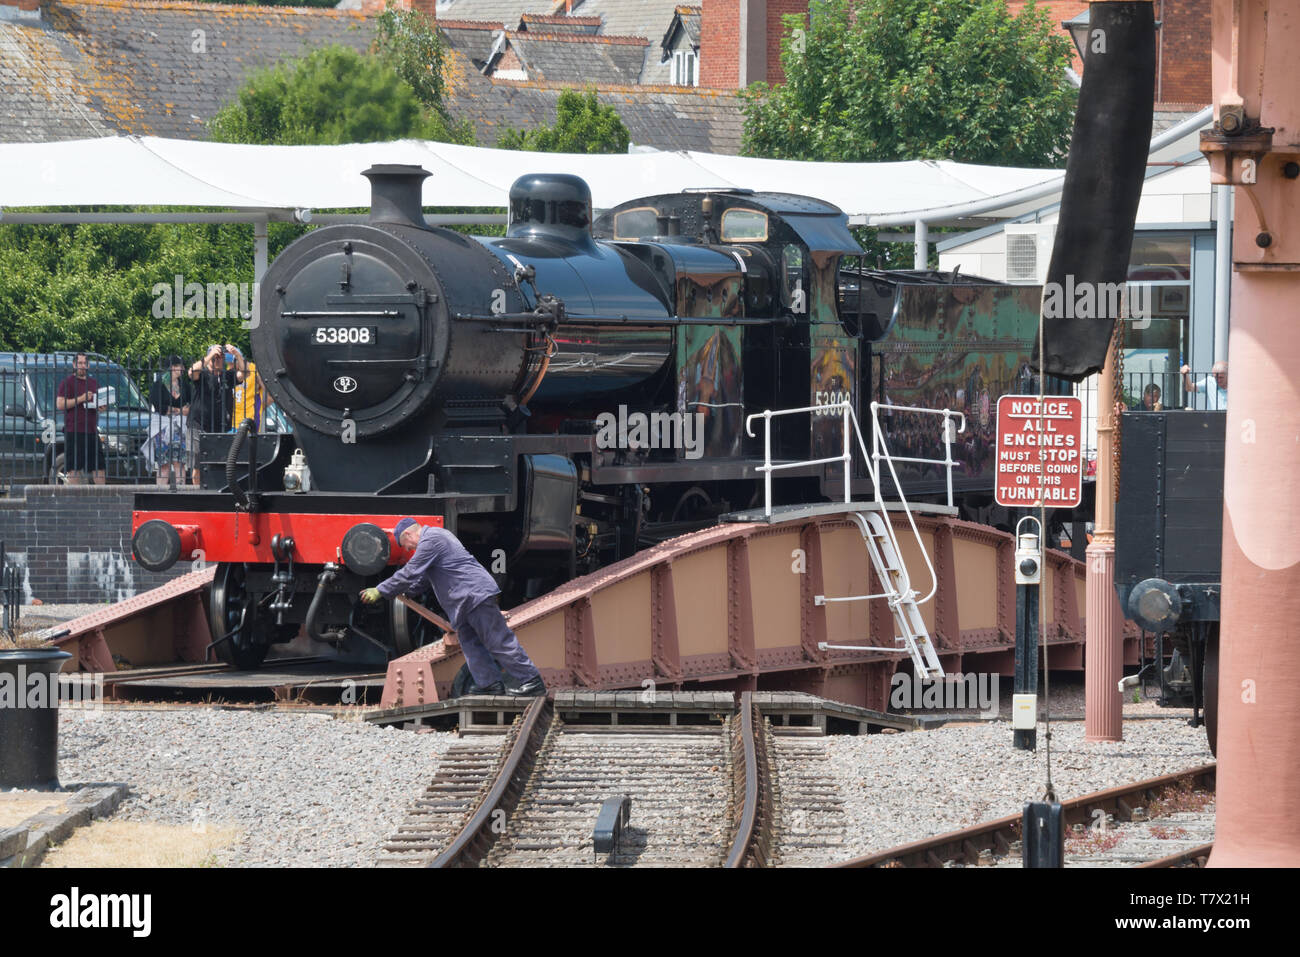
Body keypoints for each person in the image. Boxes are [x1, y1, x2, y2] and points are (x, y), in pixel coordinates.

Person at [360, 519, 547, 697]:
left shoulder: (433, 538)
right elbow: (423, 578)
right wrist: (406, 591)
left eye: (406, 543)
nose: (408, 548)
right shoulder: (434, 540)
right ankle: (490, 685)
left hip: (474, 595)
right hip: (462, 603)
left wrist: (380, 590)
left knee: (497, 639)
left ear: (408, 533)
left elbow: (410, 572)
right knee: (471, 645)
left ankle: (532, 681)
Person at [188, 343, 246, 485]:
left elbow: (244, 375)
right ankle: (197, 493)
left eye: (222, 358)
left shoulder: (227, 376)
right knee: (198, 463)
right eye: (218, 357)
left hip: (220, 426)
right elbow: (191, 372)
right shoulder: (202, 375)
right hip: (198, 424)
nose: (220, 360)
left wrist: (237, 355)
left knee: (219, 461)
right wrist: (209, 356)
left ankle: (215, 489)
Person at [55, 353, 105, 485]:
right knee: (74, 467)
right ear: (74, 365)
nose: (82, 366)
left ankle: (103, 497)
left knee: (99, 465)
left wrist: (102, 406)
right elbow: (60, 404)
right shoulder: (67, 383)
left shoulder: (94, 383)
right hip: (74, 430)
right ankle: (75, 498)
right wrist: (81, 399)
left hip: (92, 430)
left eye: (84, 363)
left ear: (88, 365)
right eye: (80, 363)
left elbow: (100, 402)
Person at [148, 355, 192, 486]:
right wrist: (179, 410)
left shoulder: (184, 385)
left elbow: (190, 403)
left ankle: (181, 491)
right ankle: (160, 493)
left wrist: (183, 409)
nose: (183, 369)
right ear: (173, 367)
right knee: (164, 463)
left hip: (180, 428)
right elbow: (159, 407)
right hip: (163, 427)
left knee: (180, 462)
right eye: (180, 366)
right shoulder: (159, 384)